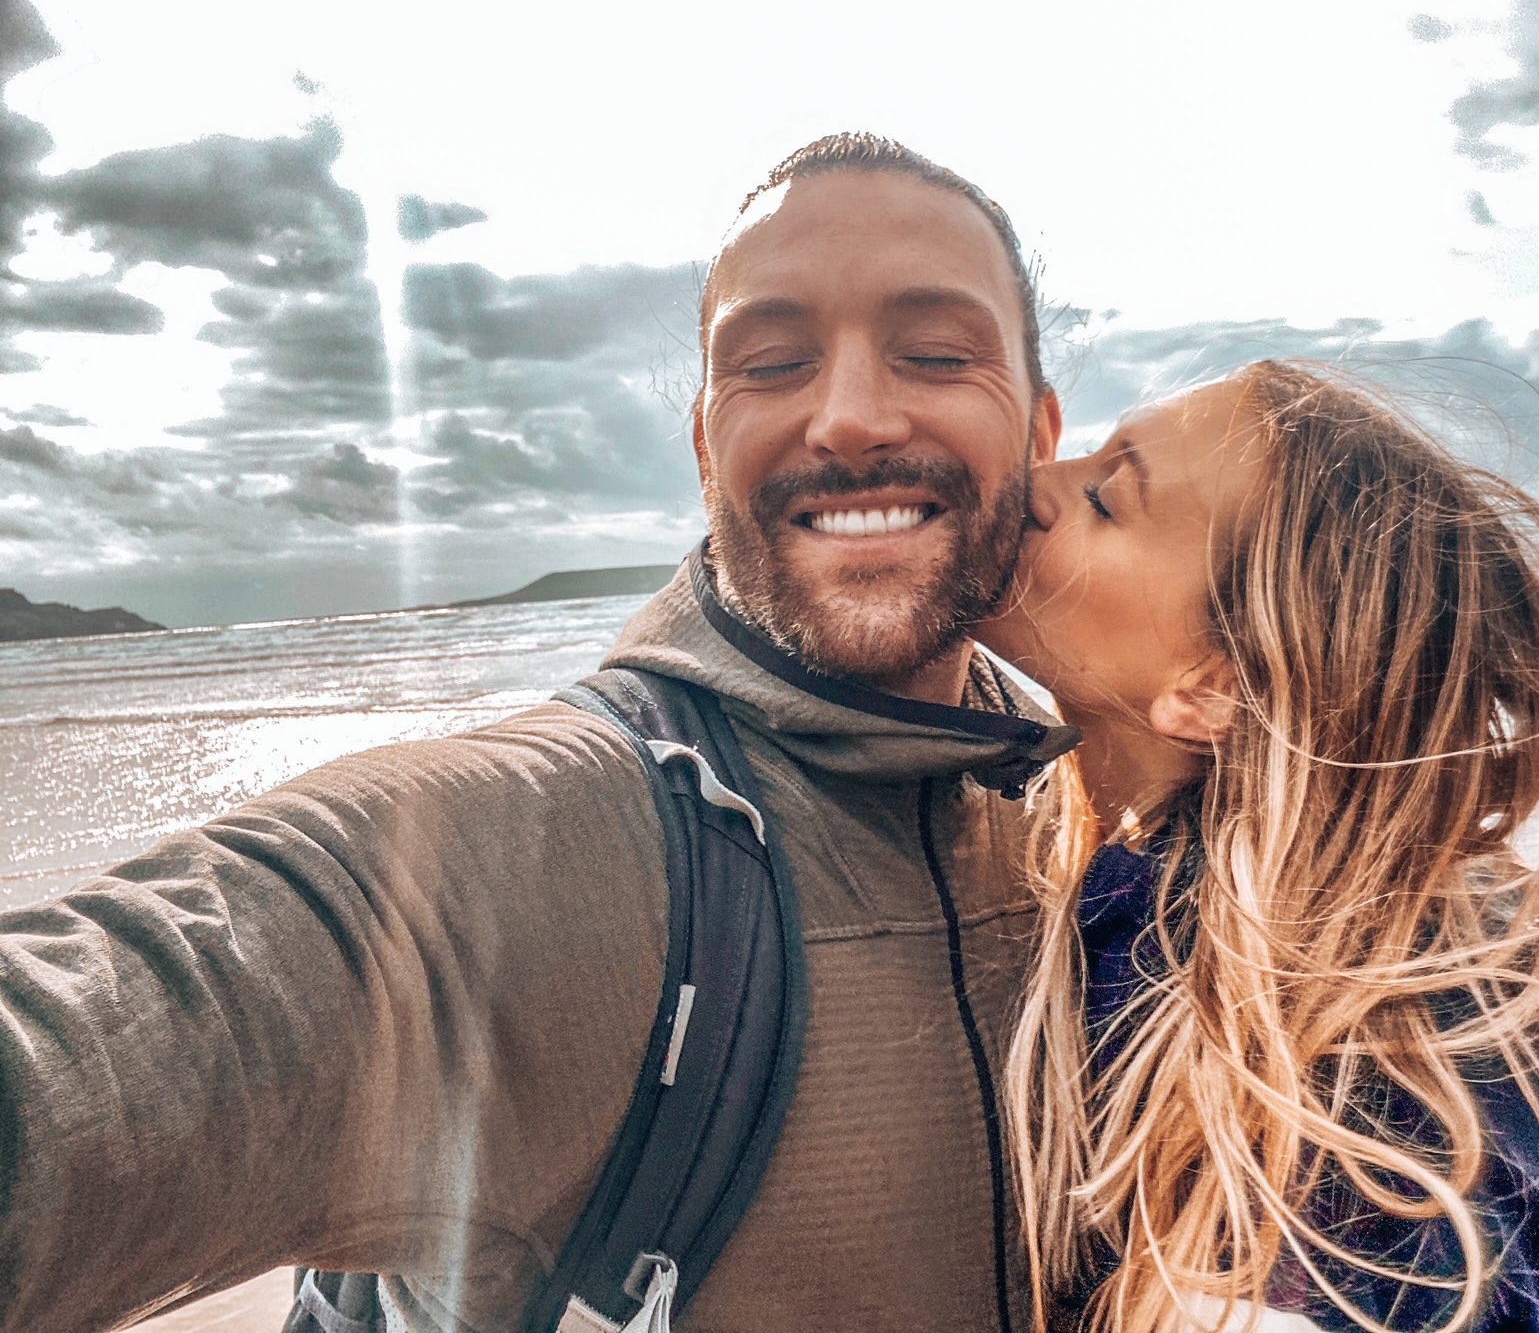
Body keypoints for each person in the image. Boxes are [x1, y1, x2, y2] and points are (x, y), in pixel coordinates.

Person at [0, 134, 1077, 1333]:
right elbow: (106, 1034)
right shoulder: (524, 846)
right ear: (706, 445)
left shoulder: (1105, 827)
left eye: (934, 352)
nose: (853, 417)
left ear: (1040, 431)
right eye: (771, 363)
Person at [977, 363, 1539, 1333]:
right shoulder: (1333, 923)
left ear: (1213, 690)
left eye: (1103, 496)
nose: (1033, 480)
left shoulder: (1319, 1126)